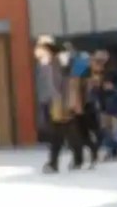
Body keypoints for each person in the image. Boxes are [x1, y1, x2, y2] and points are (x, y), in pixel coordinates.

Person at [34, 37, 82, 173]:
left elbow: (61, 82)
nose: (37, 51)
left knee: (60, 133)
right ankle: (76, 158)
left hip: (60, 101)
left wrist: (63, 100)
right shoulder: (48, 63)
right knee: (65, 132)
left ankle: (56, 162)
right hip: (54, 101)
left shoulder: (57, 61)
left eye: (40, 48)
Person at [99, 54, 117, 161]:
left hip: (111, 106)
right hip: (109, 106)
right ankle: (113, 150)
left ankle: (113, 150)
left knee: (111, 129)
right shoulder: (112, 74)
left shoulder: (112, 74)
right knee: (111, 129)